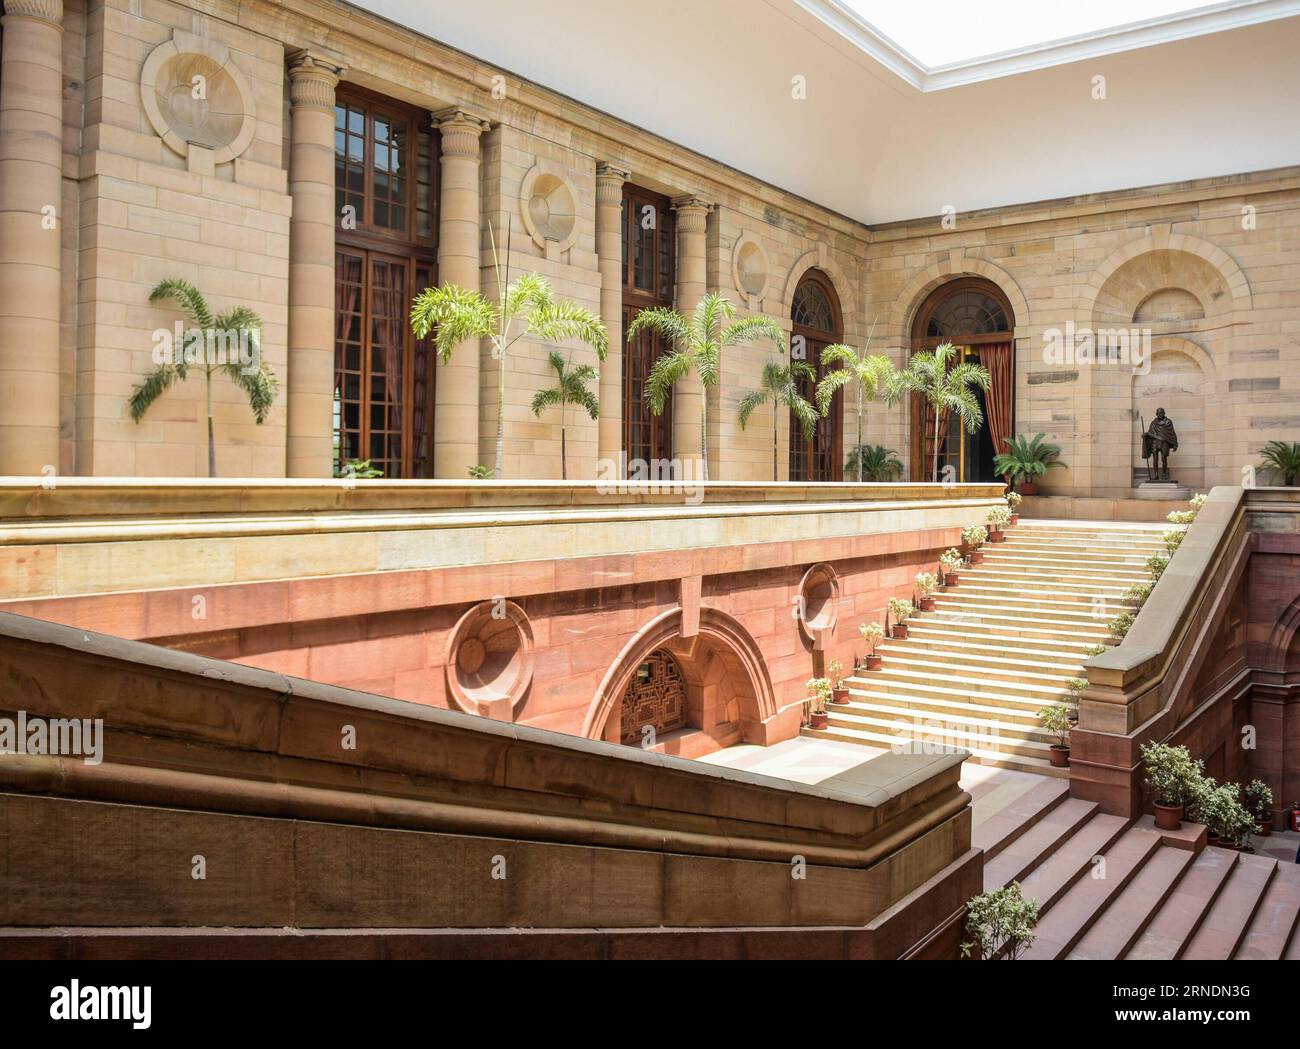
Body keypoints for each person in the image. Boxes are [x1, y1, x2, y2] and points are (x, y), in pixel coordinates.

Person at [1145, 407, 1178, 482]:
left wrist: (1175, 443)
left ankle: (1164, 474)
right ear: (1156, 414)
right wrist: (1145, 435)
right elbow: (1150, 432)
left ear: (1164, 413)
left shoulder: (1168, 422)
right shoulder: (1153, 422)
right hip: (1155, 442)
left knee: (1164, 459)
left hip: (1164, 442)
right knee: (1155, 459)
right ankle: (1156, 475)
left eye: (1161, 413)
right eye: (1158, 413)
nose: (1160, 414)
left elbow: (1172, 433)